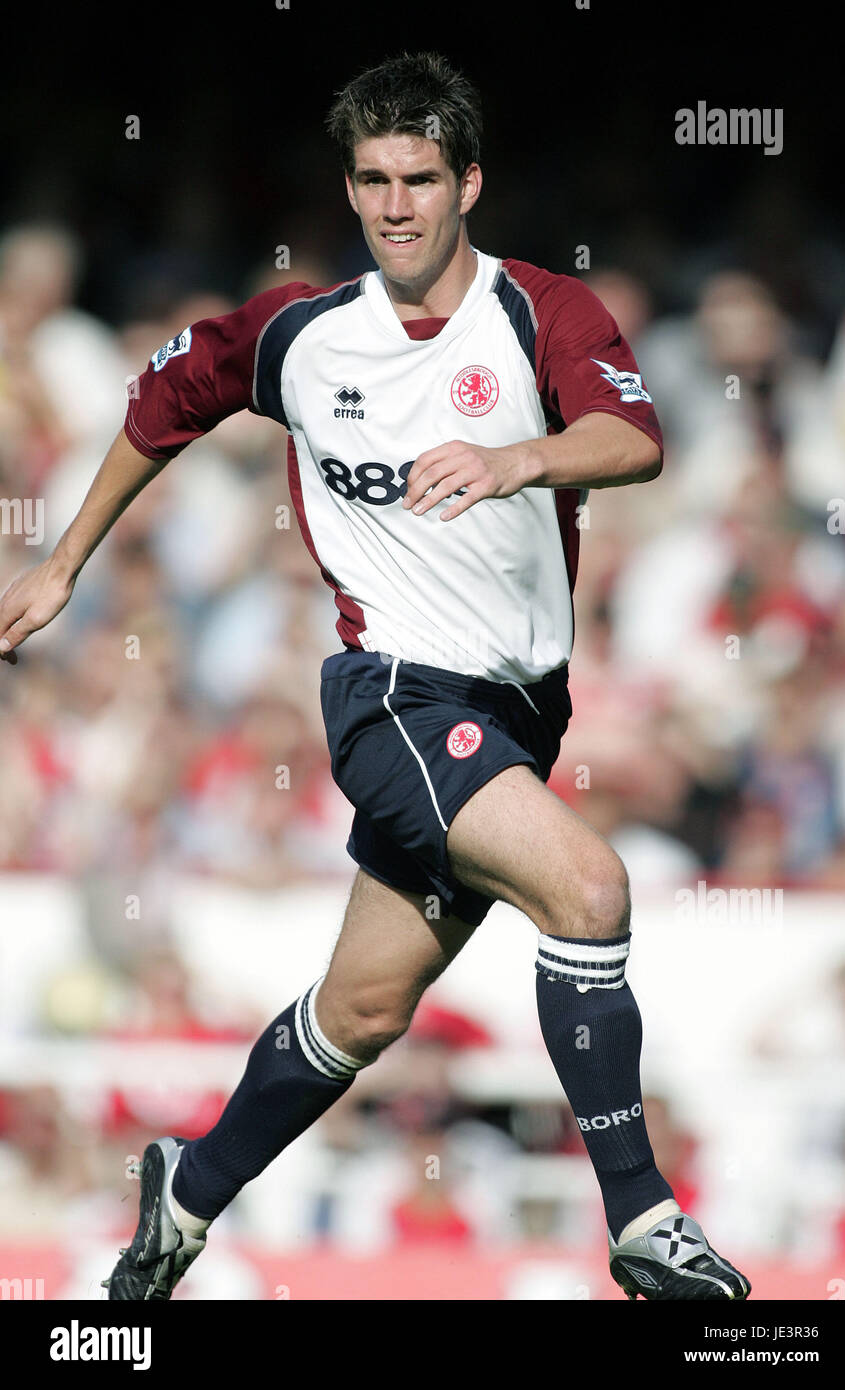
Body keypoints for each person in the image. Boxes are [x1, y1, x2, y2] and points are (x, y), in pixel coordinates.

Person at [0, 51, 749, 1301]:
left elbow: (636, 438)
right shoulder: (303, 332)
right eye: (371, 181)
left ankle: (183, 1194)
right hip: (393, 696)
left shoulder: (540, 313)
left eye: (418, 178)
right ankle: (641, 1220)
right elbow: (159, 403)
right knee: (588, 885)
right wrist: (64, 563)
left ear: (467, 182)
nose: (395, 206)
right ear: (349, 191)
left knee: (358, 1013)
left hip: (515, 707)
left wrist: (518, 459)